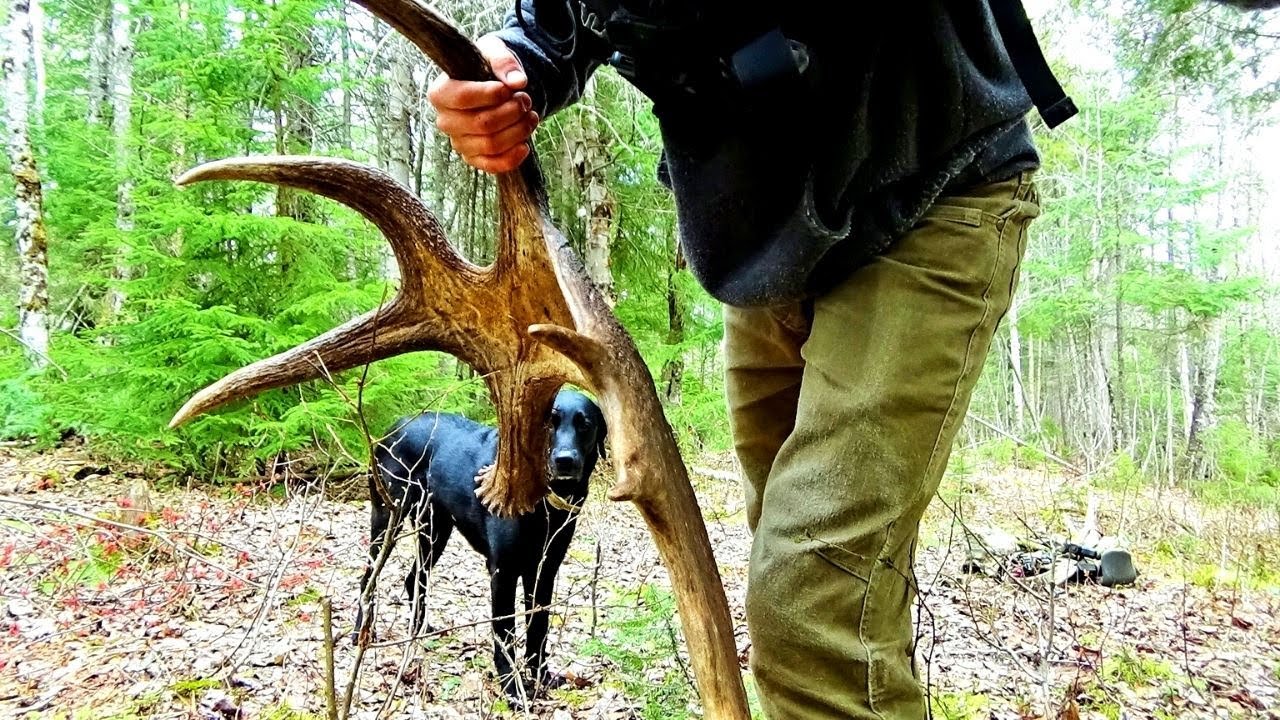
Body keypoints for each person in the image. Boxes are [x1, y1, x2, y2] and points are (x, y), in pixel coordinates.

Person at [428, 2, 1049, 717]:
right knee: (815, 575)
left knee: (811, 600)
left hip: (929, 185)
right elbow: (556, 24)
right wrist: (511, 67)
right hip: (764, 246)